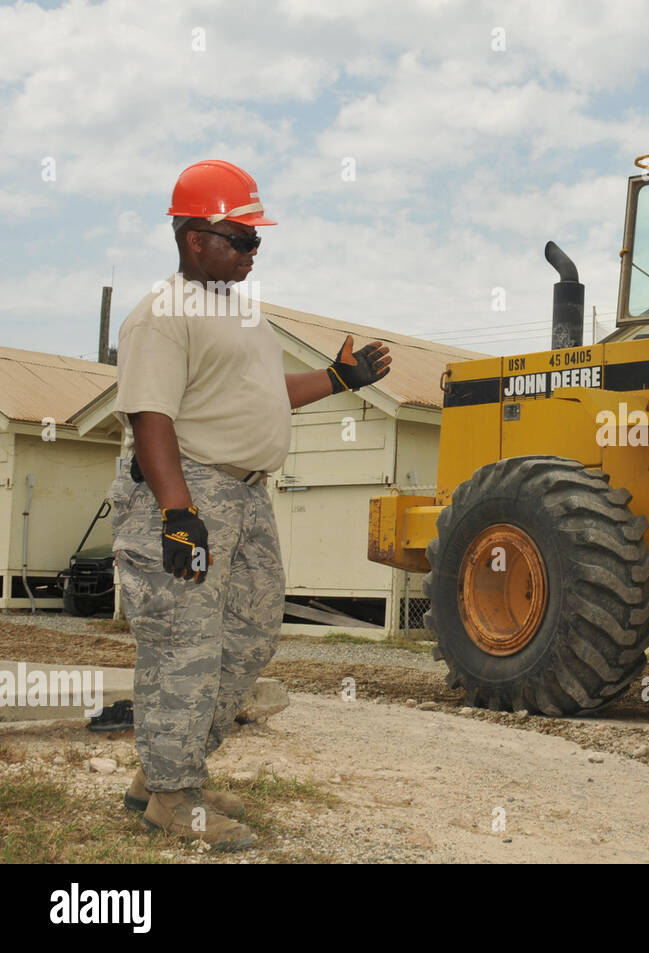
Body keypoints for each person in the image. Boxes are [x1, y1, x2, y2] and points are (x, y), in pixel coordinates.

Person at [109, 159, 392, 851]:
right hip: (189, 491)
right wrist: (178, 512)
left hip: (245, 493)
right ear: (194, 237)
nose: (253, 253)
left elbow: (265, 394)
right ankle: (173, 797)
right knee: (184, 640)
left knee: (254, 629)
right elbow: (151, 416)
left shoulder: (238, 314)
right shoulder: (161, 315)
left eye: (257, 240)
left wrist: (335, 377)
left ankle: (164, 772)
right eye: (242, 238)